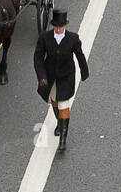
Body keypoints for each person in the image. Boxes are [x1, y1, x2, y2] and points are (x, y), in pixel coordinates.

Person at [33, 9, 89, 154]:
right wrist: (41, 77)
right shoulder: (45, 38)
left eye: (61, 26)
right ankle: (59, 122)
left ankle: (63, 139)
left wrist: (84, 72)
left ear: (65, 26)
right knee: (54, 100)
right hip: (50, 78)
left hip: (66, 77)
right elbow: (38, 58)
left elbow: (80, 56)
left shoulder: (73, 38)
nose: (58, 29)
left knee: (64, 104)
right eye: (56, 27)